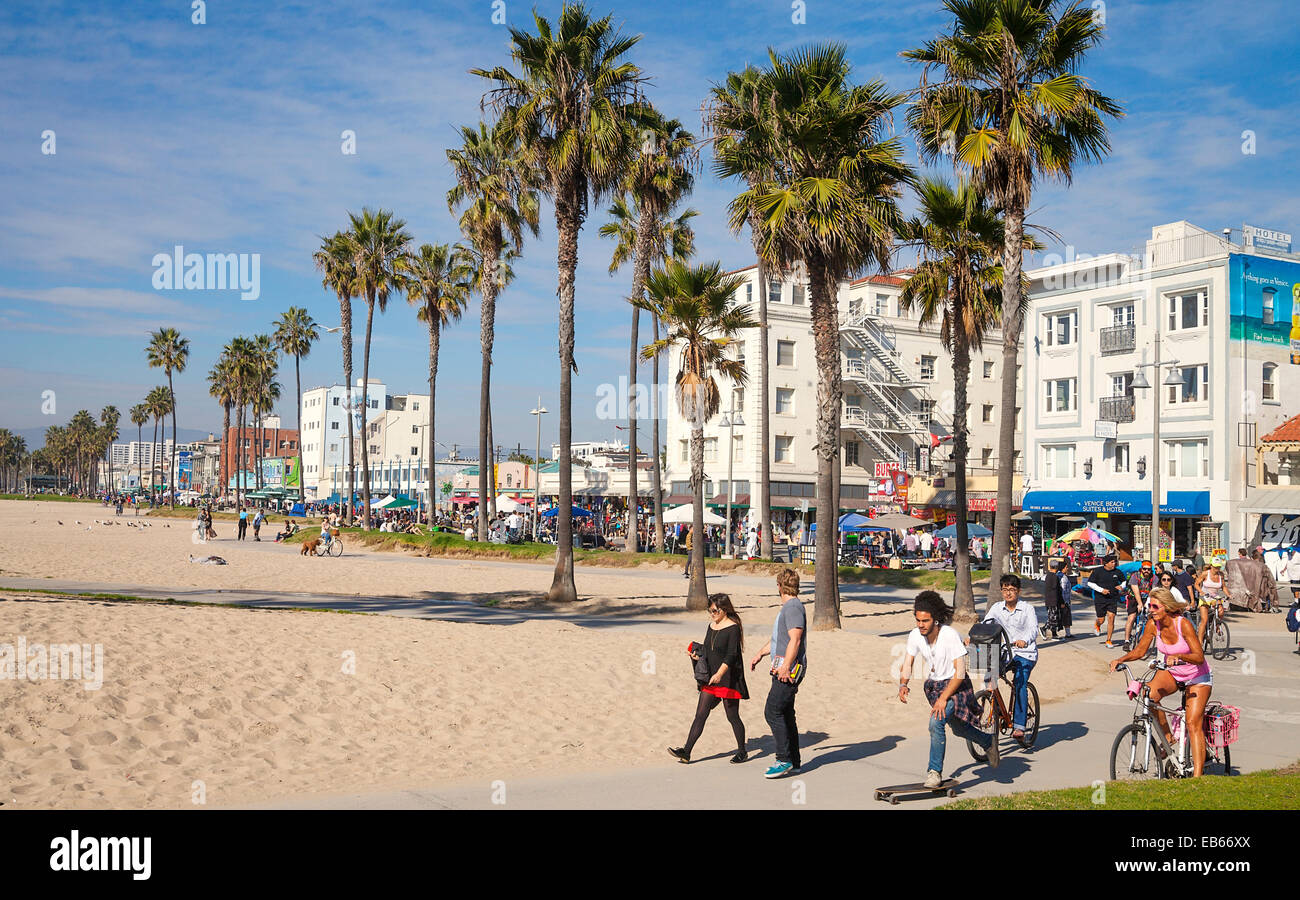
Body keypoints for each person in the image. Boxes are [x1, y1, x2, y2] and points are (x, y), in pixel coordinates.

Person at [1108, 587, 1213, 777]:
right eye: (1149, 606)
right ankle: (1168, 737)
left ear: (1166, 607)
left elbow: (1199, 656)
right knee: (1149, 693)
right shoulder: (1152, 624)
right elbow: (1140, 651)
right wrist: (1120, 660)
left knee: (1192, 722)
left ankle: (1198, 780)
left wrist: (1180, 655)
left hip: (1197, 676)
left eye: (1155, 606)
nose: (1151, 610)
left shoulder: (1183, 624)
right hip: (1173, 673)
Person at [899, 590, 998, 788]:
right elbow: (908, 662)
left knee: (935, 724)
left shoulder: (949, 635)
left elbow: (960, 672)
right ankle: (987, 742)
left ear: (935, 620)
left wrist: (944, 698)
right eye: (918, 620)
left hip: (956, 686)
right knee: (959, 728)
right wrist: (903, 683)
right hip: (935, 686)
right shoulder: (915, 635)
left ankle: (934, 772)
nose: (920, 625)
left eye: (925, 621)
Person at [668, 593, 749, 765]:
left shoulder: (733, 628)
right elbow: (707, 648)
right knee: (700, 714)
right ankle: (686, 752)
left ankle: (742, 751)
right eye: (710, 610)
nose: (712, 614)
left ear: (724, 609)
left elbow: (731, 655)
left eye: (715, 611)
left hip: (728, 679)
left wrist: (720, 674)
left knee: (732, 716)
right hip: (711, 679)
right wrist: (697, 656)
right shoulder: (711, 625)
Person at [749, 568, 806, 779]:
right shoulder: (790, 607)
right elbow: (779, 640)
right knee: (786, 713)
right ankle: (795, 760)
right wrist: (760, 653)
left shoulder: (792, 608)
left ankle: (783, 759)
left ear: (779, 586)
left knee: (772, 711)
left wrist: (785, 667)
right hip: (782, 665)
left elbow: (795, 639)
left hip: (788, 669)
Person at [983, 574, 1038, 741]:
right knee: (988, 675)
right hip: (1005, 652)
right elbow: (986, 624)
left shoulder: (1027, 608)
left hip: (1025, 653)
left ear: (1019, 591)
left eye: (1012, 590)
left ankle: (1020, 725)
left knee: (1019, 683)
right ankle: (996, 707)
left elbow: (1033, 629)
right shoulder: (997, 608)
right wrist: (974, 635)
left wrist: (1024, 641)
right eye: (1005, 589)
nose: (1008, 593)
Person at [1086, 554, 1127, 648]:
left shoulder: (1117, 572)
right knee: (1101, 619)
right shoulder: (1098, 571)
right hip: (1100, 598)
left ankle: (1108, 640)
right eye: (1112, 562)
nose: (1114, 564)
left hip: (1113, 598)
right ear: (1105, 563)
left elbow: (1124, 581)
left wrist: (1122, 586)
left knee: (1111, 617)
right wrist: (1101, 590)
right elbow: (1090, 583)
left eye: (1115, 562)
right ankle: (1097, 624)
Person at [1126, 560, 1156, 647]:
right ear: (1141, 569)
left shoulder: (1154, 578)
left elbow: (1153, 591)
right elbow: (1136, 592)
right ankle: (1127, 640)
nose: (1146, 571)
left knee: (1148, 617)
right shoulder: (1135, 576)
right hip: (1134, 598)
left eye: (1149, 569)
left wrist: (1149, 604)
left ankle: (1144, 638)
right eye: (1144, 569)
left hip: (1147, 598)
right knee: (1131, 617)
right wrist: (1139, 604)